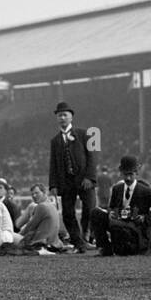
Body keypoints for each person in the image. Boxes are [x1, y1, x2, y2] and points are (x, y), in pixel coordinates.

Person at [47, 101, 97, 253]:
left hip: (84, 180)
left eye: (65, 115)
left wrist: (89, 177)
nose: (62, 118)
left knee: (90, 208)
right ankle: (78, 242)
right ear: (57, 118)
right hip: (66, 182)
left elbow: (93, 157)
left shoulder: (85, 133)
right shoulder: (55, 141)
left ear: (71, 117)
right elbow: (53, 164)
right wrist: (53, 185)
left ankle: (87, 237)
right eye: (59, 115)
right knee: (68, 213)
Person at [88, 155, 151, 256]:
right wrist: (111, 212)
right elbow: (111, 207)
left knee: (120, 229)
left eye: (130, 174)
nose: (128, 178)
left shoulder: (146, 191)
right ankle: (105, 248)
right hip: (119, 222)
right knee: (96, 213)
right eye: (125, 174)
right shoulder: (117, 189)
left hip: (135, 228)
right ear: (121, 173)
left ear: (136, 173)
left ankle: (123, 246)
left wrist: (145, 218)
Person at [13, 184, 66, 252]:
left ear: (44, 193)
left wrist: (18, 235)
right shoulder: (52, 205)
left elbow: (30, 226)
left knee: (10, 236)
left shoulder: (41, 206)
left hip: (42, 243)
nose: (34, 196)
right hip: (54, 243)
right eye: (32, 194)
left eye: (37, 193)